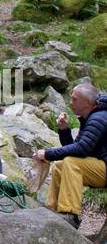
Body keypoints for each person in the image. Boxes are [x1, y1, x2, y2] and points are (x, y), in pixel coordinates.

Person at [34, 82, 107, 229]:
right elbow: (76, 149)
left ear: (87, 103)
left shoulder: (98, 118)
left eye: (74, 99)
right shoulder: (90, 116)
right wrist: (64, 130)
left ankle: (70, 213)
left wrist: (48, 153)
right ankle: (53, 208)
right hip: (100, 165)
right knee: (61, 165)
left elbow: (81, 149)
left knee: (70, 163)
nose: (70, 102)